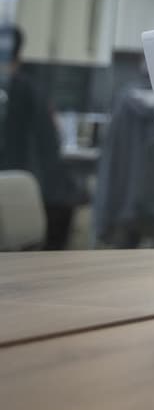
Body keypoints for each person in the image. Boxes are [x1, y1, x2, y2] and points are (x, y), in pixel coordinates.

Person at [0, 22, 77, 248]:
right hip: (44, 197)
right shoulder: (35, 92)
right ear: (19, 56)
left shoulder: (20, 92)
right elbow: (54, 137)